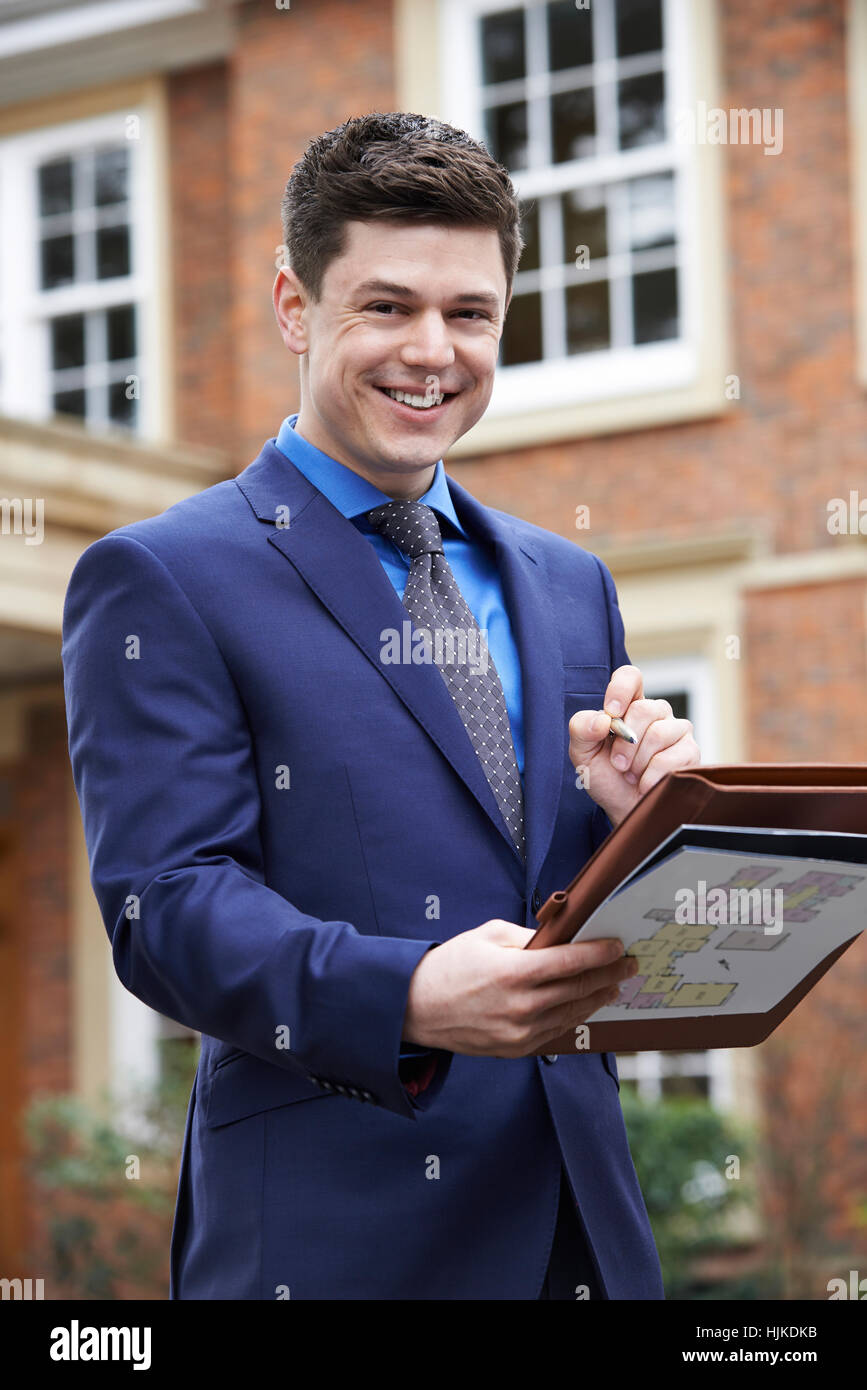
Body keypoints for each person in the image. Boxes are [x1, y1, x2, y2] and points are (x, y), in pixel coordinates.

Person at [62, 112, 700, 1300]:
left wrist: (640, 822)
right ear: (296, 307)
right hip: (335, 1247)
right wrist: (407, 994)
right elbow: (168, 910)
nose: (432, 350)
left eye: (470, 314)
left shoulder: (571, 581)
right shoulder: (162, 577)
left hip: (586, 1240)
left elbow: (583, 926)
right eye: (387, 306)